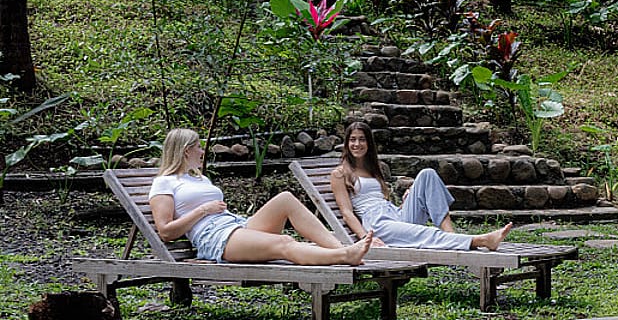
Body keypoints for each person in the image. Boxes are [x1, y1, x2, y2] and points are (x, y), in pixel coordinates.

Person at [150, 128, 379, 265]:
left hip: (236, 225)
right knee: (283, 242)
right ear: (185, 150)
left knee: (286, 198)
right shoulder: (165, 182)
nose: (202, 151)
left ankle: (339, 249)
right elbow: (166, 231)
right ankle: (342, 256)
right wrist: (203, 210)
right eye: (198, 147)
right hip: (215, 238)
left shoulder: (198, 178)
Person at [331, 121, 512, 251]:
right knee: (424, 233)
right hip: (377, 223)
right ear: (347, 144)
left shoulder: (373, 170)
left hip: (394, 214)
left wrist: (407, 201)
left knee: (427, 174)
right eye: (353, 140)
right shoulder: (340, 174)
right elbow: (347, 212)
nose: (357, 144)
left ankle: (449, 233)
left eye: (362, 139)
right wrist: (365, 237)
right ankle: (481, 241)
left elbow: (383, 201)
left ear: (369, 143)